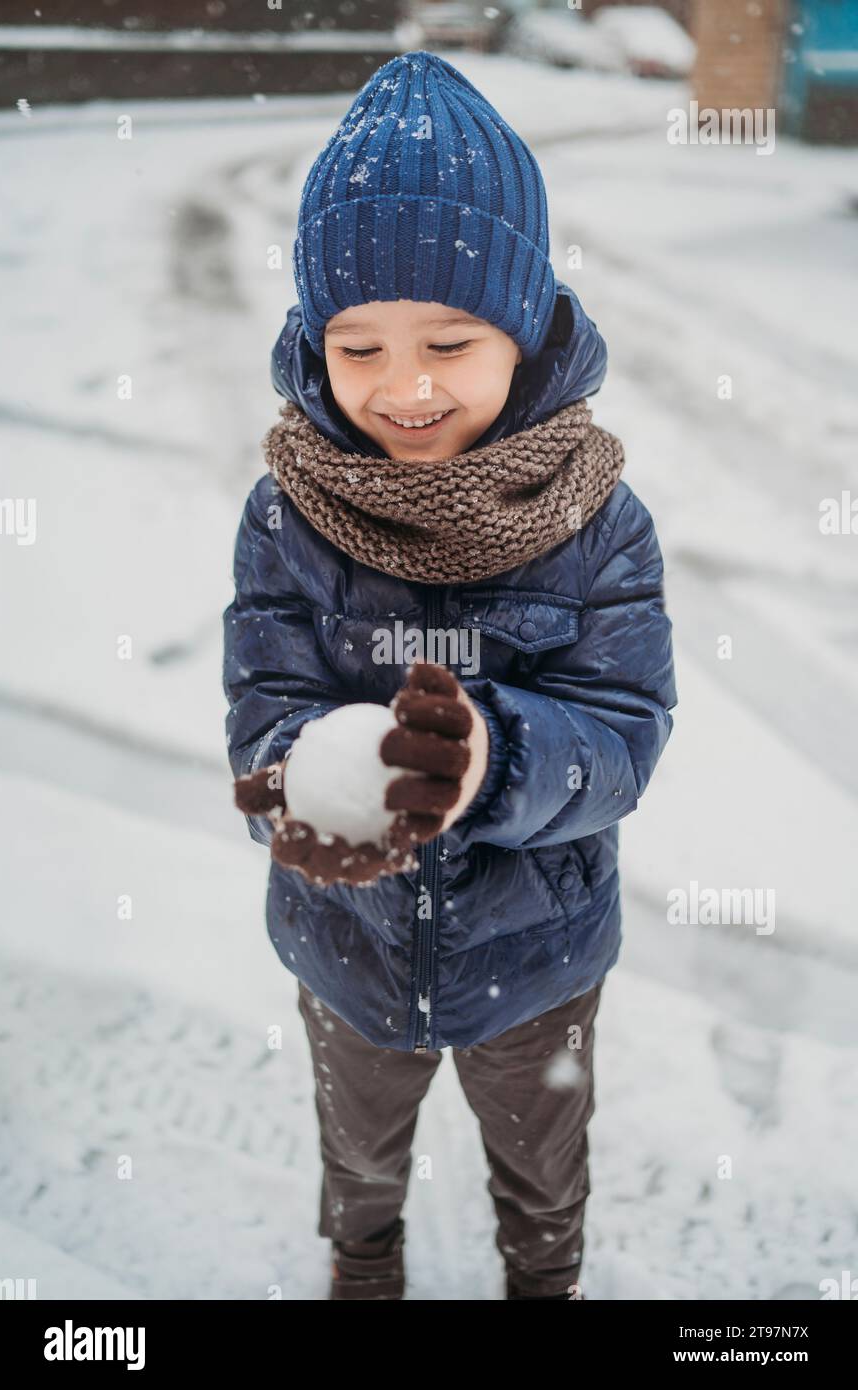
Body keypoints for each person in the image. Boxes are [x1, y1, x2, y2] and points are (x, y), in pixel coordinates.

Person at [222, 50, 678, 1301]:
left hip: (538, 958)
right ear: (318, 342)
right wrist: (290, 775)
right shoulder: (289, 514)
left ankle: (547, 1277)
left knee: (542, 1160)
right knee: (359, 1150)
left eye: (449, 341)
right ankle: (363, 1266)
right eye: (357, 345)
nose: (403, 388)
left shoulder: (600, 522)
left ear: (521, 327)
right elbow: (264, 685)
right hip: (348, 943)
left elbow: (624, 731)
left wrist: (494, 757)